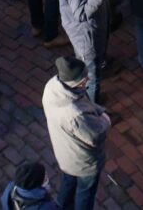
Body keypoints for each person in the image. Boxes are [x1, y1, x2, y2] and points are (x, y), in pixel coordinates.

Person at [42, 54, 112, 210]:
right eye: (84, 80)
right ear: (75, 83)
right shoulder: (75, 114)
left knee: (68, 182)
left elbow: (85, 103)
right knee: (85, 194)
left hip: (65, 154)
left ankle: (62, 206)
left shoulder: (52, 87)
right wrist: (106, 120)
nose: (87, 81)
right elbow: (95, 136)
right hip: (83, 162)